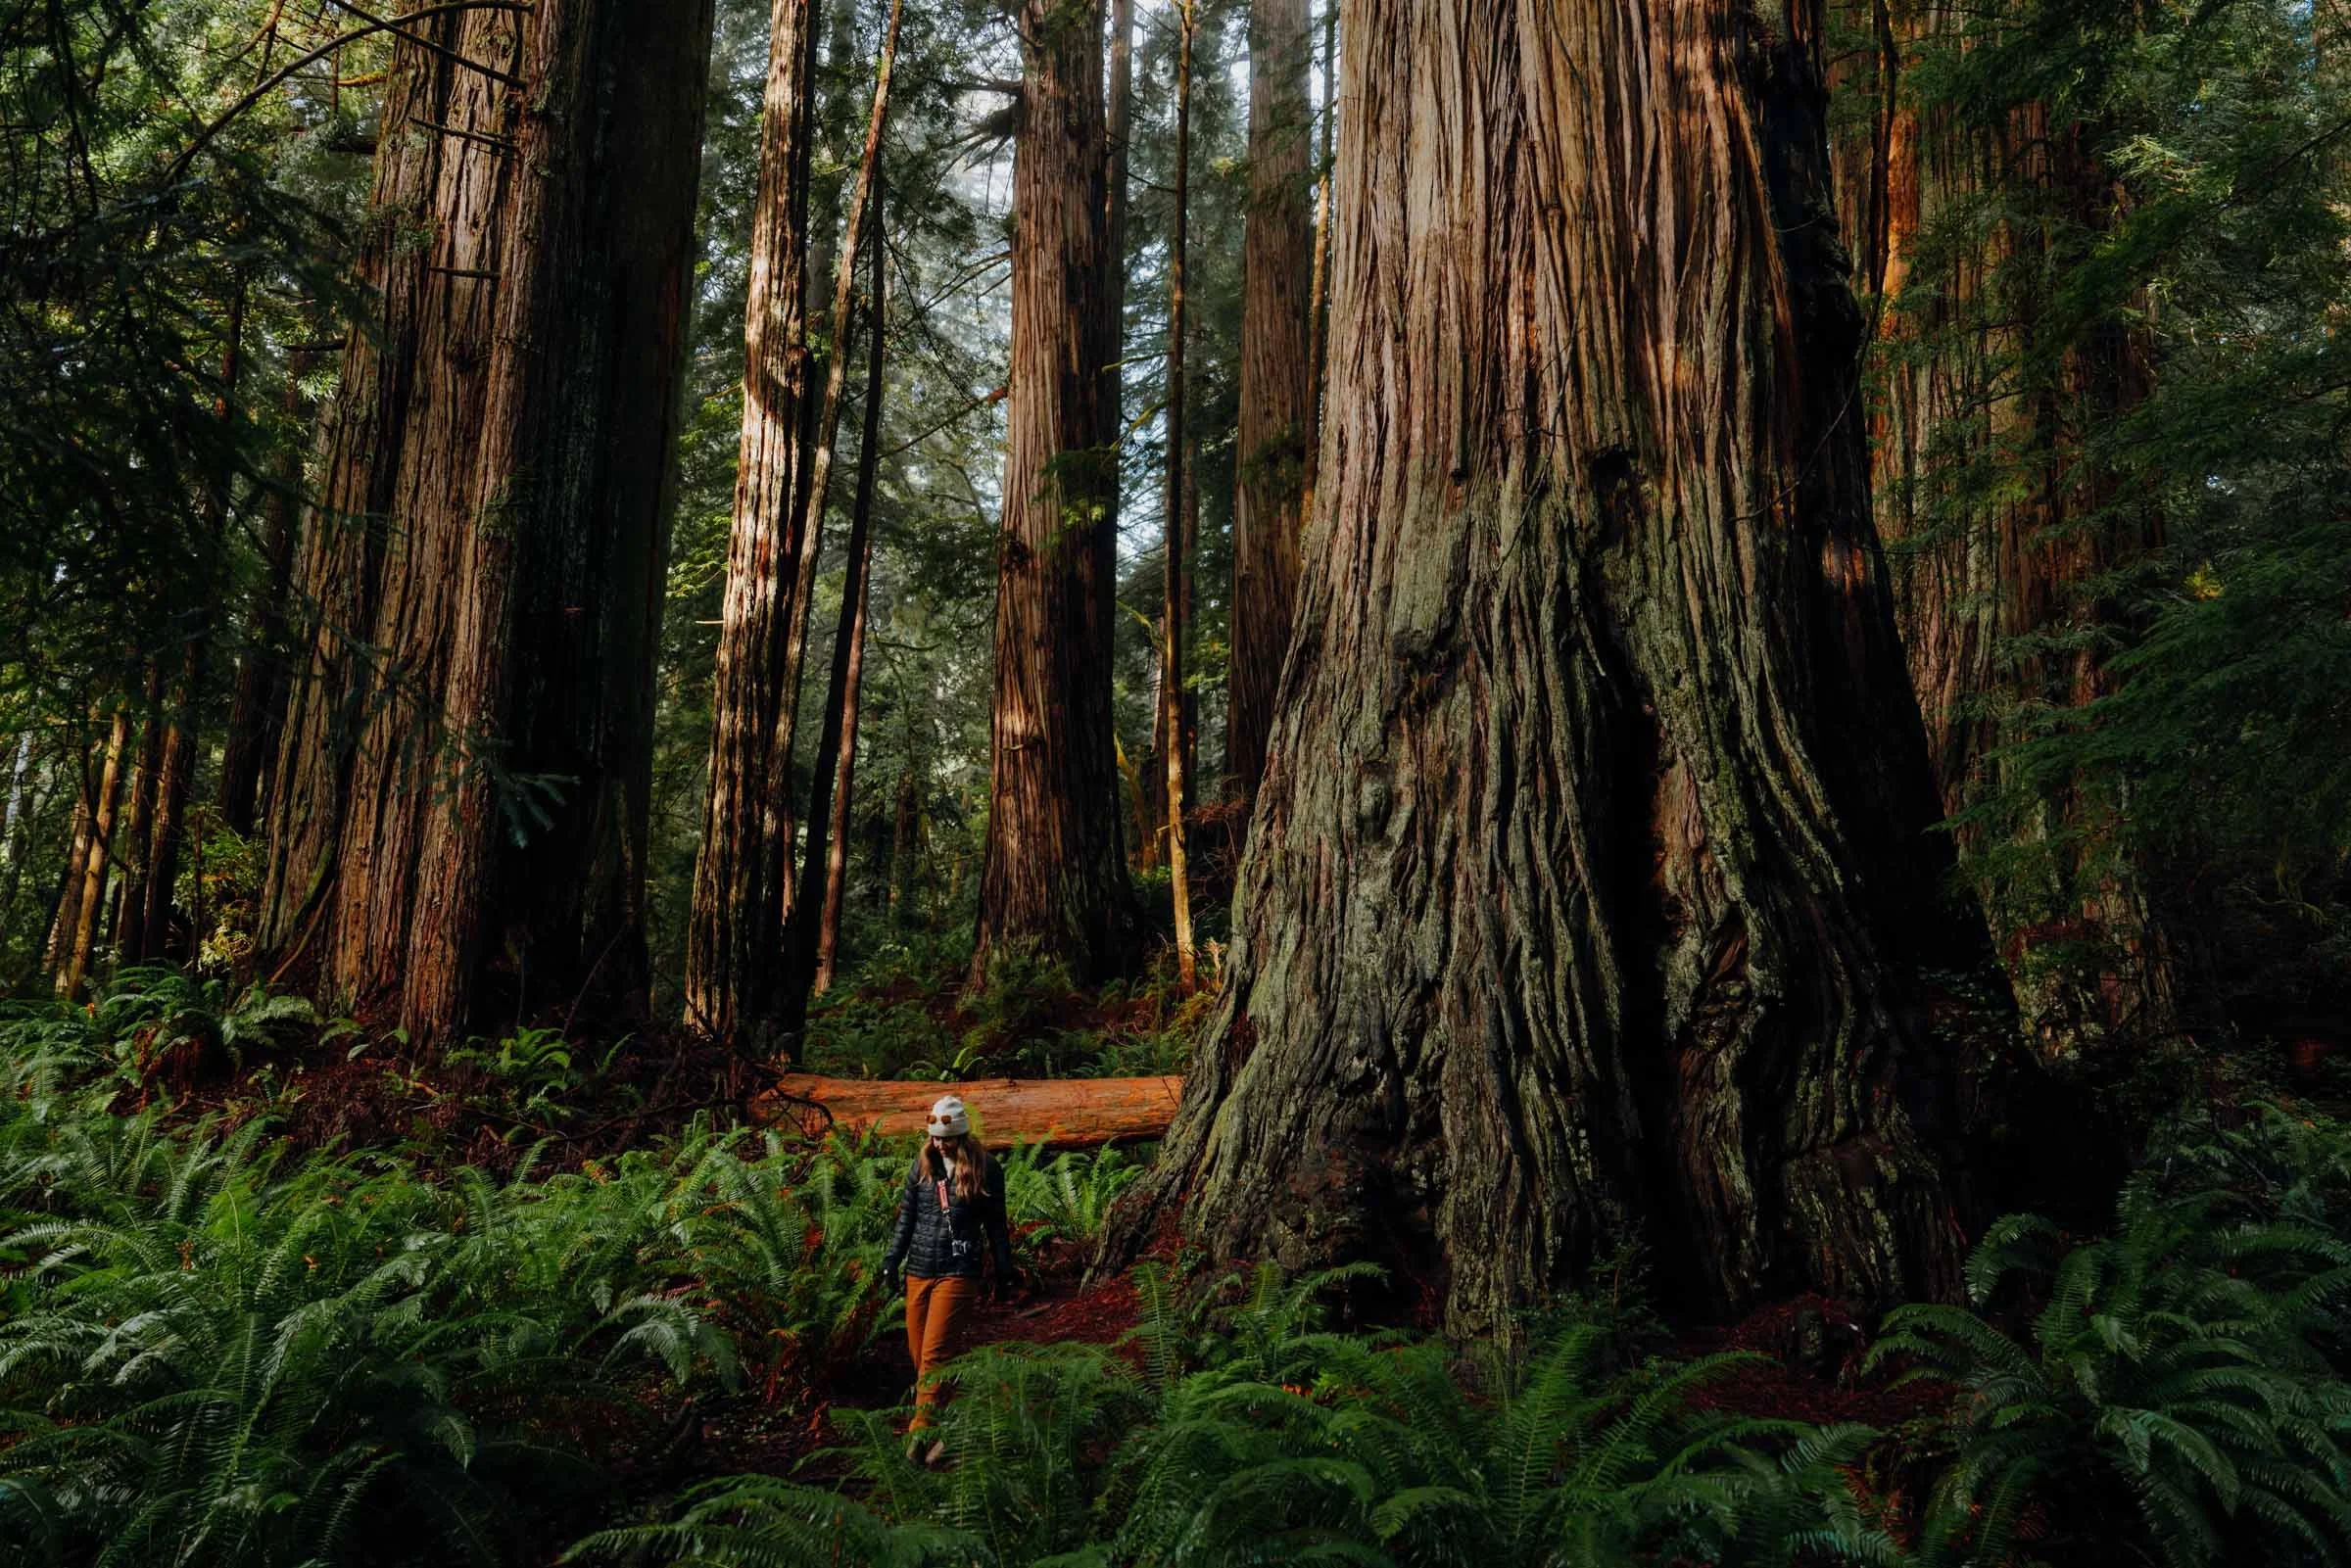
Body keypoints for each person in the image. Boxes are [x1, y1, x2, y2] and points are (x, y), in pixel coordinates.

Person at [879, 1094, 1018, 1464]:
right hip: (919, 1270)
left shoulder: (987, 1168)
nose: (940, 1144)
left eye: (948, 1138)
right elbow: (906, 1219)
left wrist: (1004, 1270)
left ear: (962, 1136)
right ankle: (953, 1429)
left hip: (958, 1271)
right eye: (936, 1138)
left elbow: (996, 1227)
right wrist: (892, 1260)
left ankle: (918, 1440)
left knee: (934, 1358)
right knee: (922, 1359)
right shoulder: (922, 1165)